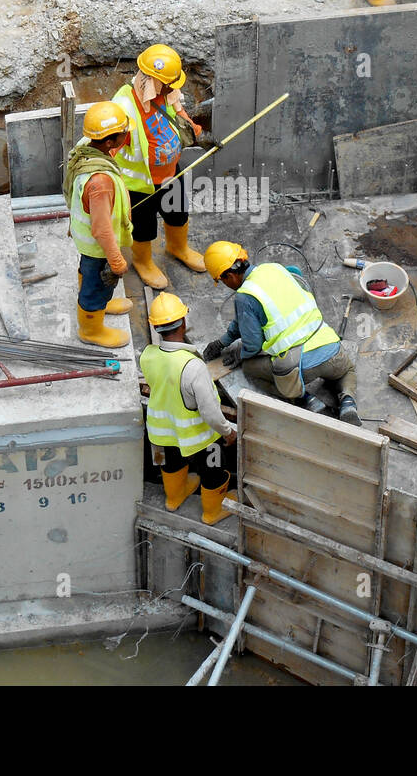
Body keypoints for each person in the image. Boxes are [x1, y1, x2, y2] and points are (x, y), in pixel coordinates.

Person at [200, 241, 361, 426]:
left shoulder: (244, 297)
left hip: (298, 367)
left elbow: (252, 345)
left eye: (222, 281)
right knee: (347, 370)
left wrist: (239, 354)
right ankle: (348, 403)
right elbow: (295, 276)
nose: (225, 285)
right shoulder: (275, 268)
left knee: (250, 368)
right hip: (329, 347)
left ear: (229, 276)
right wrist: (223, 342)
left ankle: (303, 398)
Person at [111, 44, 207, 290]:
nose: (174, 88)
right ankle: (143, 262)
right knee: (143, 227)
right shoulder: (124, 107)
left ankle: (178, 247)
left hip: (170, 173)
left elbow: (179, 116)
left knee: (177, 212)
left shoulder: (166, 94)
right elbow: (110, 147)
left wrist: (199, 134)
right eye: (169, 84)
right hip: (140, 185)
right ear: (153, 82)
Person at [139, 292, 238, 525]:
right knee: (214, 472)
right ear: (183, 322)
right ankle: (212, 512)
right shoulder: (193, 367)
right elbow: (210, 411)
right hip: (200, 438)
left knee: (169, 463)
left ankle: (174, 497)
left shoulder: (148, 355)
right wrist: (227, 432)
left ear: (155, 327)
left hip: (160, 433)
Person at [62, 101, 134, 348]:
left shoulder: (87, 148)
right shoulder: (100, 182)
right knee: (95, 285)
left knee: (90, 273)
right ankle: (91, 329)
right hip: (97, 245)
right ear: (109, 142)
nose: (127, 136)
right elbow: (101, 229)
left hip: (87, 242)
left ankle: (103, 304)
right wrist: (116, 260)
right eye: (123, 134)